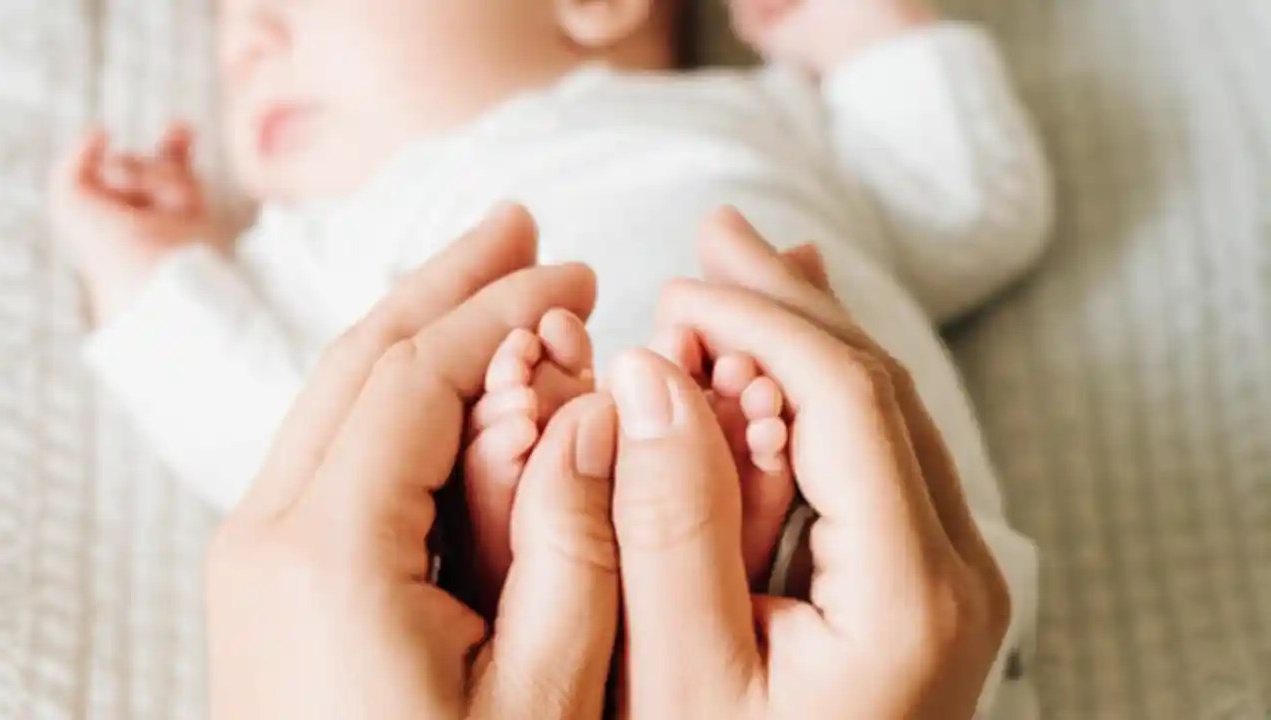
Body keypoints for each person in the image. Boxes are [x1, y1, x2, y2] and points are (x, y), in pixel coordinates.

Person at [207, 207, 1012, 719]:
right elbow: (300, 502)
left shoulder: (772, 100)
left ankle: (519, 569)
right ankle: (718, 565)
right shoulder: (329, 221)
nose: (248, 35)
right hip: (887, 581)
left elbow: (978, 215)